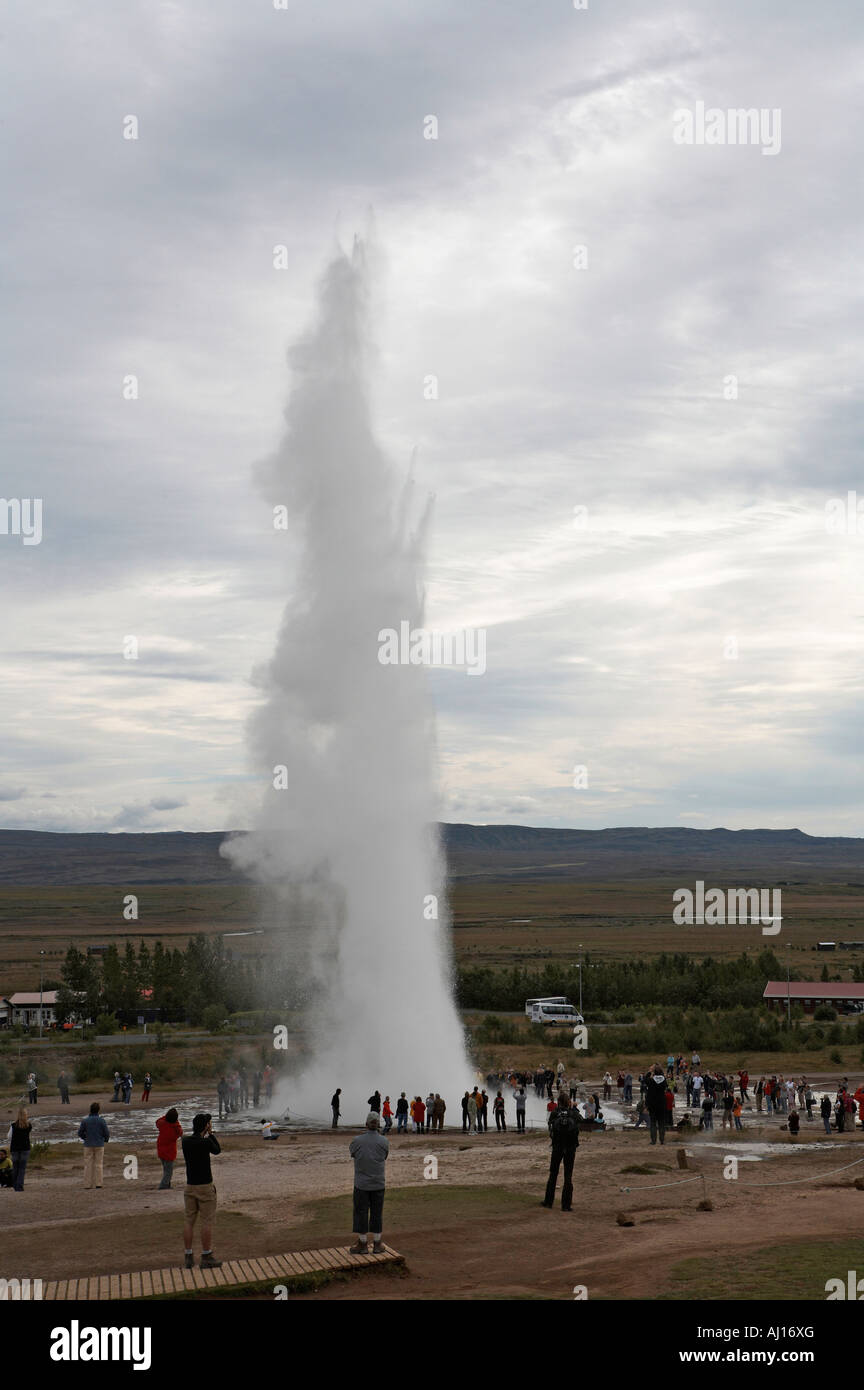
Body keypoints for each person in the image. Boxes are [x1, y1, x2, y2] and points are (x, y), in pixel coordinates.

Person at [181, 1112, 222, 1269]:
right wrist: (211, 1134)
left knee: (189, 1221)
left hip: (190, 1185)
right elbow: (217, 1150)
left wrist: (206, 1132)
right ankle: (206, 1255)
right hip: (205, 1186)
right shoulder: (205, 1143)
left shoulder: (185, 1141)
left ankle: (188, 1255)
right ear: (206, 1126)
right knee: (206, 1222)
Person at [349, 1112, 389, 1255]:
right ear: (378, 1125)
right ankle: (377, 1244)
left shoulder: (356, 1141)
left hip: (361, 1184)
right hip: (378, 1183)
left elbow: (352, 1154)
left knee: (361, 1212)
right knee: (377, 1213)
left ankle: (363, 1244)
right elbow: (384, 1156)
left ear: (366, 1124)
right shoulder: (384, 1141)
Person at [541, 1094, 579, 1211]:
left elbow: (550, 1127)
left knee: (553, 1174)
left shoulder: (555, 1113)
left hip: (557, 1147)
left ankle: (548, 1202)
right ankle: (566, 1205)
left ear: (559, 1102)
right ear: (568, 1102)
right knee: (568, 1175)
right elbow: (581, 1122)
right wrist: (573, 1108)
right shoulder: (573, 1113)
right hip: (570, 1148)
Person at [78, 1102, 110, 1189]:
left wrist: (85, 1138)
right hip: (99, 1144)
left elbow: (80, 1133)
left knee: (88, 1165)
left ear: (90, 1109)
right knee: (99, 1164)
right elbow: (106, 1133)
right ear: (98, 1110)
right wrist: (105, 1140)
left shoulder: (85, 1120)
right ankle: (98, 1183)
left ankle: (87, 1184)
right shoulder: (101, 1120)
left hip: (88, 1144)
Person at [156, 1107, 183, 1189]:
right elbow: (181, 1132)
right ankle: (163, 1185)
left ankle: (167, 1184)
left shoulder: (162, 1124)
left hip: (161, 1149)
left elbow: (157, 1121)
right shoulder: (175, 1127)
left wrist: (166, 1117)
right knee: (168, 1171)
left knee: (166, 1169)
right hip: (169, 1151)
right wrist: (176, 1122)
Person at [8, 1107, 31, 1191]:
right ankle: (19, 1186)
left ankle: (15, 1185)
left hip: (15, 1148)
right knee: (22, 1168)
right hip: (25, 1148)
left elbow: (9, 1136)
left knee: (15, 1167)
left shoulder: (13, 1125)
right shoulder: (29, 1125)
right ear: (26, 1115)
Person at [646, 1066, 669, 1146]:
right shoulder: (664, 1081)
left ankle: (653, 1141)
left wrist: (649, 1072)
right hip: (661, 1104)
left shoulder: (651, 1080)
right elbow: (666, 1085)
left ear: (654, 1073)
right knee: (661, 1123)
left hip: (652, 1105)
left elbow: (645, 1080)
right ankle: (662, 1140)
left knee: (653, 1123)